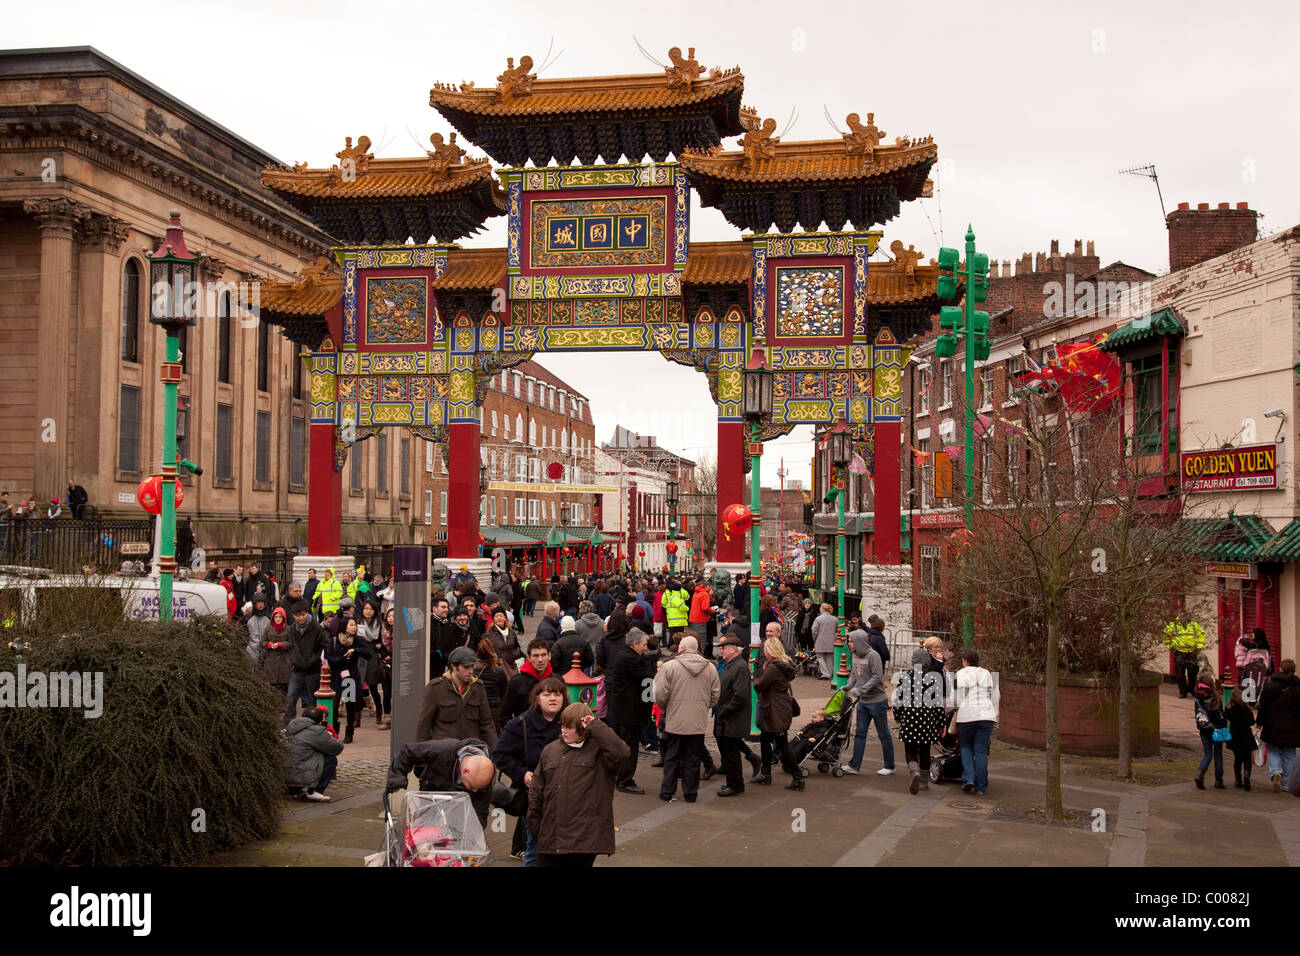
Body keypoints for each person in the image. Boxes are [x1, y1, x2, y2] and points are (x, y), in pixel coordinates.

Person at [527, 702, 630, 867]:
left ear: (583, 728)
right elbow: (536, 792)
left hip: (584, 840)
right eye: (562, 725)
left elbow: (621, 753)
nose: (563, 730)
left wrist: (596, 725)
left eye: (569, 727)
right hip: (550, 837)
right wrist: (536, 828)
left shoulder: (599, 751)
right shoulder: (550, 750)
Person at [494, 677, 566, 864]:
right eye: (547, 694)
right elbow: (500, 755)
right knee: (536, 847)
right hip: (533, 798)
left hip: (565, 797)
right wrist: (522, 773)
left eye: (557, 694)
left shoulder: (569, 723)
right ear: (537, 698)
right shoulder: (520, 724)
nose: (553, 698)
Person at [654, 634, 719, 803]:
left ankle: (667, 791)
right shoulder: (710, 667)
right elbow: (715, 694)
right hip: (697, 721)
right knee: (693, 759)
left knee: (672, 757)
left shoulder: (670, 667)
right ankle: (691, 793)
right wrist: (704, 706)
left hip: (675, 719)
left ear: (681, 648)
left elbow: (660, 693)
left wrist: (667, 707)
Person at [386, 736, 496, 830]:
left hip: (458, 813)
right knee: (424, 836)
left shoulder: (484, 776)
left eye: (478, 788)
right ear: (465, 771)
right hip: (431, 795)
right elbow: (408, 752)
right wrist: (397, 777)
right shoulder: (442, 750)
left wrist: (474, 835)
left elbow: (480, 813)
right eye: (472, 786)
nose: (475, 790)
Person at [415, 645, 499, 747]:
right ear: (454, 666)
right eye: (466, 667)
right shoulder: (436, 688)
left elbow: (487, 724)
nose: (471, 671)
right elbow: (423, 726)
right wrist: (422, 755)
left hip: (470, 752)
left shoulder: (478, 688)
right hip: (443, 753)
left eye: (472, 666)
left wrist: (495, 753)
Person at [840, 626, 896, 777]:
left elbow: (877, 677)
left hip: (877, 701)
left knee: (883, 734)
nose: (849, 644)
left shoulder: (873, 656)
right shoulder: (855, 655)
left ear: (859, 641)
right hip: (863, 702)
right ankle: (854, 765)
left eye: (851, 641)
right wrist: (849, 686)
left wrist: (861, 689)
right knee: (860, 733)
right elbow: (853, 672)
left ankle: (890, 765)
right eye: (848, 641)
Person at [606, 629, 655, 794]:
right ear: (635, 644)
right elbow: (647, 676)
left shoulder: (625, 655)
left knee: (624, 744)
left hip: (623, 709)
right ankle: (625, 780)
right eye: (643, 645)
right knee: (629, 747)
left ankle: (621, 777)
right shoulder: (630, 658)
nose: (645, 648)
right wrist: (651, 661)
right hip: (629, 712)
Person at [753, 631, 801, 790]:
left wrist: (755, 679)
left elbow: (760, 684)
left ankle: (797, 776)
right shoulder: (781, 665)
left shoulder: (773, 668)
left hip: (775, 709)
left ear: (770, 651)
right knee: (766, 740)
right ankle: (765, 773)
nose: (763, 652)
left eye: (765, 649)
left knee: (782, 744)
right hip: (776, 707)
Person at [953, 648, 997, 795]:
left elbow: (957, 698)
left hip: (967, 716)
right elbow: (993, 695)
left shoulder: (960, 674)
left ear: (965, 661)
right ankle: (982, 786)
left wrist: (956, 708)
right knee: (981, 750)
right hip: (986, 716)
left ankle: (968, 779)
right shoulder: (986, 674)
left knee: (966, 747)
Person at [714, 633, 753, 797]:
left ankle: (735, 784)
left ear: (733, 649)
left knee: (732, 754)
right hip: (727, 716)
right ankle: (733, 782)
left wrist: (725, 710)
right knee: (730, 753)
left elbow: (740, 695)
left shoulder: (740, 666)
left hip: (733, 717)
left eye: (723, 648)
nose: (721, 651)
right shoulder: (732, 664)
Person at [1256, 659, 1300, 793]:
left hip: (1272, 724)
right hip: (1293, 727)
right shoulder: (1297, 688)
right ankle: (1287, 783)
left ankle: (1276, 772)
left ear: (1280, 669)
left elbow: (1263, 706)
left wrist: (1259, 722)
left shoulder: (1270, 685)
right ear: (1293, 671)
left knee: (1274, 750)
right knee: (1289, 754)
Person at [326, 617, 372, 744]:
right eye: (351, 625)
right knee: (334, 706)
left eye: (355, 625)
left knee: (350, 705)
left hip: (350, 677)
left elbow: (368, 654)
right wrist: (342, 658)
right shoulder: (335, 640)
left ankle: (349, 731)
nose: (354, 627)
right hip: (336, 677)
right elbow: (329, 658)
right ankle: (334, 730)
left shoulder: (357, 641)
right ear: (344, 627)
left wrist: (355, 650)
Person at [287, 706, 344, 802]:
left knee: (306, 753)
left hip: (286, 772)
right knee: (330, 758)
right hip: (300, 772)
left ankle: (293, 790)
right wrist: (328, 735)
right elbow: (337, 747)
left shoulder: (292, 725)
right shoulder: (316, 731)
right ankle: (314, 791)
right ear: (320, 720)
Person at [284, 601, 329, 721]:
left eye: (303, 614)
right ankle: (288, 725)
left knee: (312, 699)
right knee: (291, 697)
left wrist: (315, 657)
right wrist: (293, 658)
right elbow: (290, 645)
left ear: (307, 613)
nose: (301, 618)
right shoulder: (292, 628)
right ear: (293, 615)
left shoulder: (316, 627)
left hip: (313, 669)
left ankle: (312, 724)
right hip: (297, 668)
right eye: (297, 615)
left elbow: (325, 644)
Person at [502, 637, 554, 723]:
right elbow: (504, 714)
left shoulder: (557, 681)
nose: (540, 660)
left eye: (543, 655)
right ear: (529, 658)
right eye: (535, 656)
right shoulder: (517, 682)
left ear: (549, 656)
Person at [1193, 672, 1229, 790]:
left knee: (1207, 754)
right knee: (1218, 754)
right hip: (1216, 729)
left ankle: (1200, 774)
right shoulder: (1215, 697)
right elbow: (1220, 716)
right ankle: (1219, 780)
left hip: (1204, 729)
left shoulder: (1198, 696)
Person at [1164, 612, 1208, 699]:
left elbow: (1201, 635)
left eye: (1183, 616)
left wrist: (1199, 646)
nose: (1181, 617)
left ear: (1187, 616)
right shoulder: (1173, 626)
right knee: (1180, 674)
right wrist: (1170, 647)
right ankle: (1183, 691)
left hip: (1192, 653)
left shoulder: (1194, 625)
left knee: (1193, 673)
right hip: (1179, 653)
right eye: (1180, 616)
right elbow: (1166, 636)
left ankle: (1191, 689)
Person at [473, 637, 509, 730]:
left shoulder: (472, 671)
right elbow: (505, 692)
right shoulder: (498, 671)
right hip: (494, 709)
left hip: (477, 708)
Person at [1227, 687, 1258, 790]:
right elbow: (1252, 722)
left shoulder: (1230, 710)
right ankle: (1246, 777)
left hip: (1235, 737)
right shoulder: (1246, 710)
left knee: (1238, 759)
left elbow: (1225, 717)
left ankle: (1238, 780)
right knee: (1247, 759)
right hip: (1246, 737)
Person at [261, 607, 292, 700]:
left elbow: (291, 643)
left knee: (283, 684)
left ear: (283, 618)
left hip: (284, 659)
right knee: (272, 684)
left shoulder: (288, 629)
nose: (278, 619)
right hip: (271, 659)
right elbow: (263, 641)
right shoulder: (268, 628)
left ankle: (283, 704)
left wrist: (281, 644)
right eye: (276, 617)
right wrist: (269, 644)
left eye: (280, 617)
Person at [485, 607, 521, 679]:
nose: (499, 618)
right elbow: (486, 651)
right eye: (496, 616)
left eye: (501, 616)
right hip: (498, 668)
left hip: (512, 666)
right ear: (493, 619)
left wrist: (515, 655)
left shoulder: (511, 632)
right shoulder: (489, 634)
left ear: (505, 618)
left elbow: (517, 646)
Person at [811, 603, 838, 679]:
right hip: (832, 641)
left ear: (822, 609)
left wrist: (815, 639)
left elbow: (814, 630)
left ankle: (825, 673)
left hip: (820, 640)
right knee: (829, 657)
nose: (819, 609)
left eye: (820, 608)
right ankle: (829, 673)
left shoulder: (818, 619)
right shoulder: (835, 619)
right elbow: (837, 630)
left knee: (819, 656)